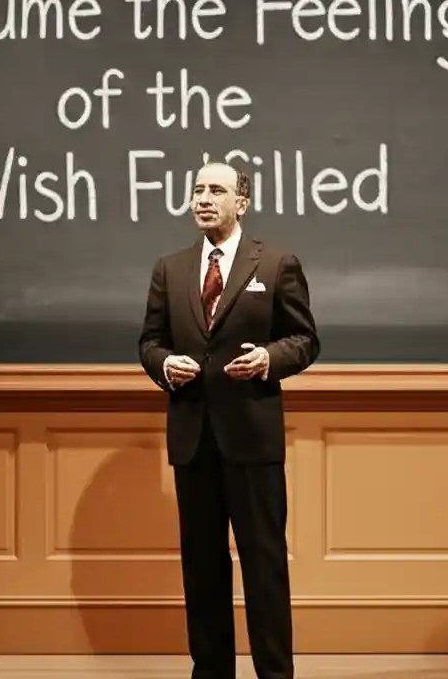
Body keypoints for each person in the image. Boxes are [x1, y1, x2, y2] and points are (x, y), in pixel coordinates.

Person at [138, 161, 320, 678]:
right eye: (196, 190)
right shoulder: (169, 269)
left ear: (241, 202)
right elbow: (150, 343)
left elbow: (305, 340)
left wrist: (268, 359)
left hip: (252, 439)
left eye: (215, 189)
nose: (202, 198)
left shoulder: (277, 264)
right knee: (202, 569)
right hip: (193, 440)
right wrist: (163, 366)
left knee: (264, 567)